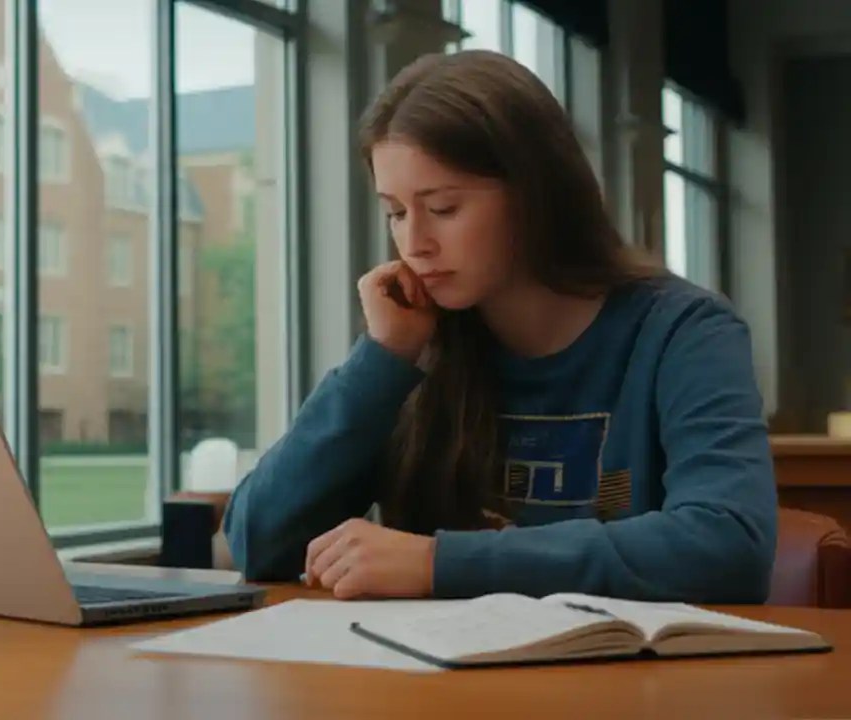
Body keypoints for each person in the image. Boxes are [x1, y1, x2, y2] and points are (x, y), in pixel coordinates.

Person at [221, 50, 777, 604]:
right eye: (395, 212)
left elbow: (728, 545)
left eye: (442, 208)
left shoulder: (684, 331)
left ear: (536, 195)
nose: (415, 243)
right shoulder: (416, 342)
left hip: (631, 680)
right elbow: (258, 542)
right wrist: (382, 359)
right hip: (428, 680)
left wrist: (438, 563)